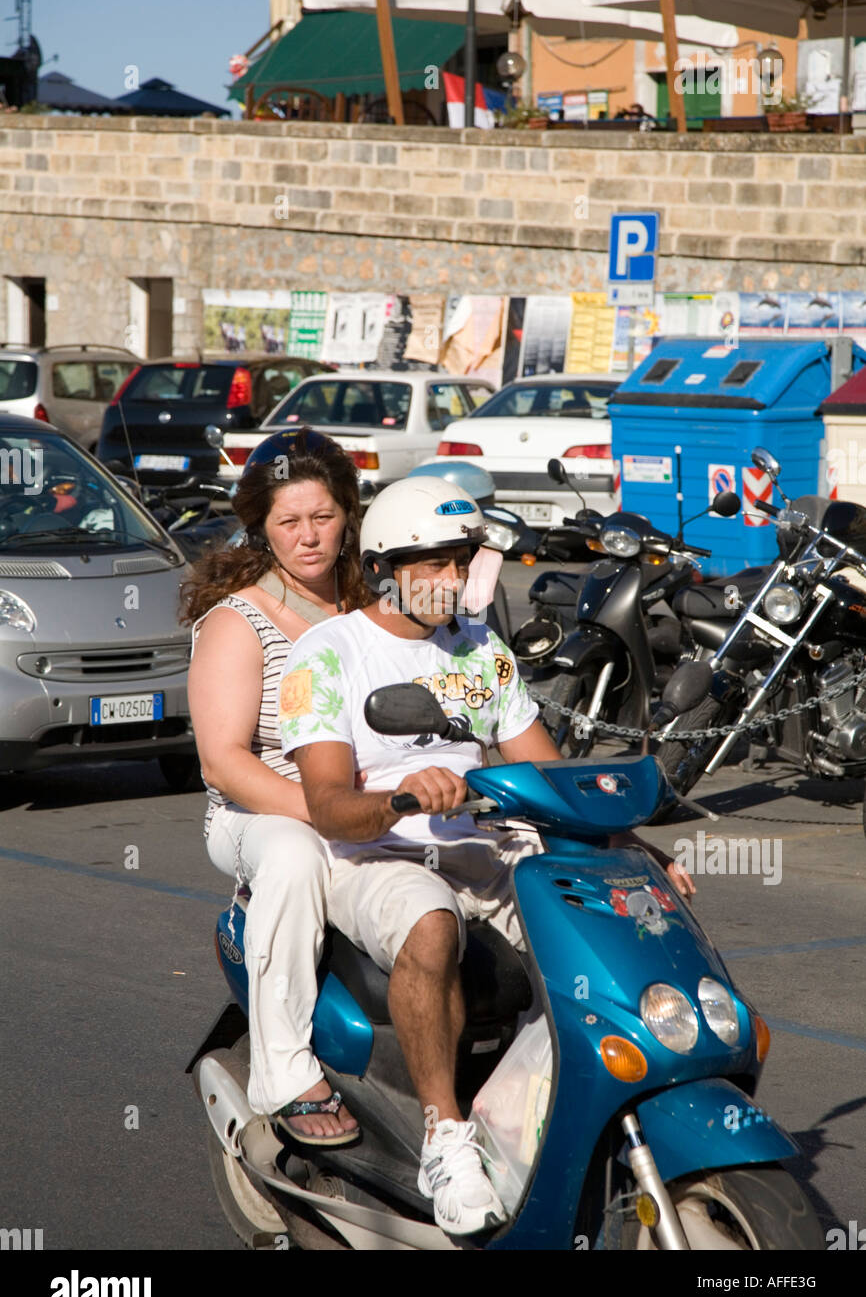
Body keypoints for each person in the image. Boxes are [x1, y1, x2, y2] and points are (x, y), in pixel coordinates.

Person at [278, 476, 694, 1233]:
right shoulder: (328, 655)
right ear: (381, 569)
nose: (447, 580)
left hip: (483, 848)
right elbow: (329, 805)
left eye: (458, 561)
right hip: (374, 854)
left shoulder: (484, 653)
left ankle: (545, 1110)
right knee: (431, 922)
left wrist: (641, 849)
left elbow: (545, 775)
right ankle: (446, 1138)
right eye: (428, 563)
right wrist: (403, 796)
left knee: (612, 919)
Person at [181, 426, 371, 1145]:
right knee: (292, 853)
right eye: (288, 522)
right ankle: (284, 1071)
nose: (309, 537)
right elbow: (224, 763)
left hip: (363, 804)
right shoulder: (239, 621)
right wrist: (332, 814)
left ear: (348, 516)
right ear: (262, 528)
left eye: (323, 517)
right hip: (258, 813)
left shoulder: (370, 609)